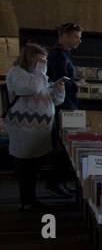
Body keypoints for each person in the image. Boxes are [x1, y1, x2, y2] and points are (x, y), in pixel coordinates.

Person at [5, 43, 66, 211]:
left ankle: (30, 200)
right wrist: (41, 71)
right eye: (40, 58)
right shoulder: (16, 72)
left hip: (40, 130)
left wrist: (59, 90)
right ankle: (26, 202)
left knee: (34, 167)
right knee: (26, 169)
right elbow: (29, 88)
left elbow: (54, 100)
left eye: (44, 59)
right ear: (29, 57)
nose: (43, 62)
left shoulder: (39, 75)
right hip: (24, 130)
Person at [43, 22, 81, 195]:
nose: (78, 41)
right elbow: (61, 80)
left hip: (67, 104)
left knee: (65, 144)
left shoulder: (64, 54)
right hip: (63, 105)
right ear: (64, 36)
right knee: (62, 144)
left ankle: (60, 181)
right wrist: (76, 84)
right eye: (75, 37)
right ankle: (56, 182)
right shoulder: (58, 56)